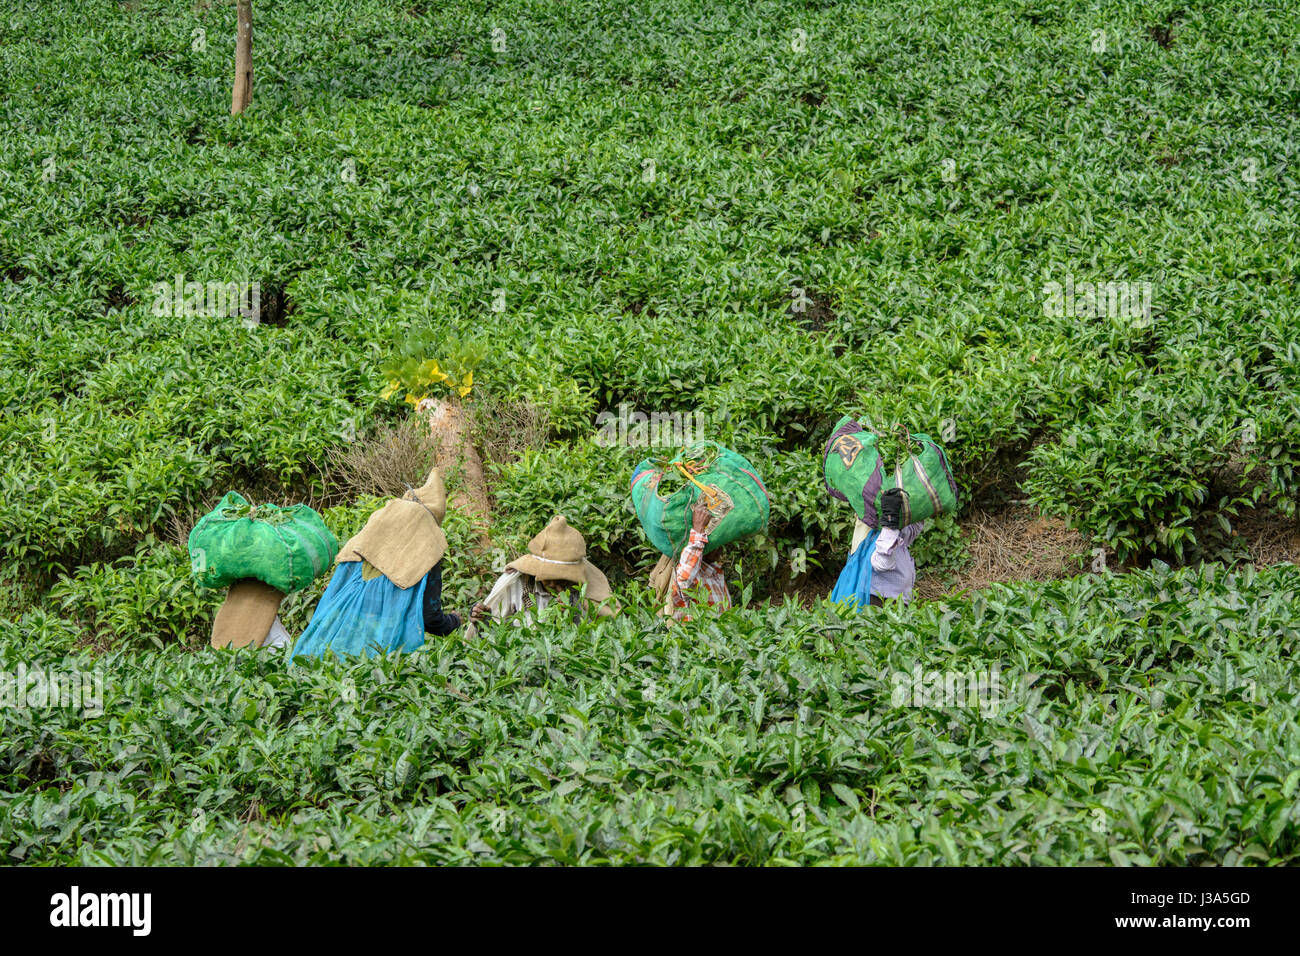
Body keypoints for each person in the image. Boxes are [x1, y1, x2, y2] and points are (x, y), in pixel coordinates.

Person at [293, 467, 462, 658]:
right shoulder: (426, 554)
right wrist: (454, 621)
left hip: (324, 646)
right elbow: (430, 618)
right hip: (378, 655)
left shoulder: (360, 546)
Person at [468, 515, 617, 631]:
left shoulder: (587, 586)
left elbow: (602, 630)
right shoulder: (515, 584)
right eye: (547, 578)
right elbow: (497, 636)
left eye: (560, 579)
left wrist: (573, 611)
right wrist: (484, 621)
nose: (552, 584)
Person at [831, 488, 926, 608]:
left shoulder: (890, 529)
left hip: (896, 599)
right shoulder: (872, 533)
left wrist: (921, 506)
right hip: (879, 600)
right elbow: (882, 563)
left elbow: (909, 533)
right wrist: (890, 521)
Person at [650, 498, 731, 621]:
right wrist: (698, 530)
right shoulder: (689, 572)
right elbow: (684, 580)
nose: (720, 548)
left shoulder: (715, 572)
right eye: (714, 543)